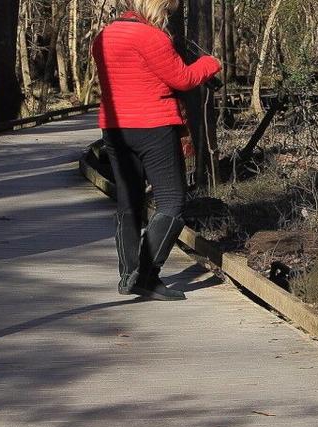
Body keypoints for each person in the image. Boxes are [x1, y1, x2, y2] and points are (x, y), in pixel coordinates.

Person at [91, 0, 221, 300]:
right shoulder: (151, 37)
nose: (168, 16)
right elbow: (182, 78)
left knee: (129, 202)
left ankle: (128, 276)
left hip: (113, 127)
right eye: (167, 9)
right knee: (172, 203)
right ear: (156, 5)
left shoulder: (105, 35)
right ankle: (147, 276)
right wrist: (211, 63)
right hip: (152, 127)